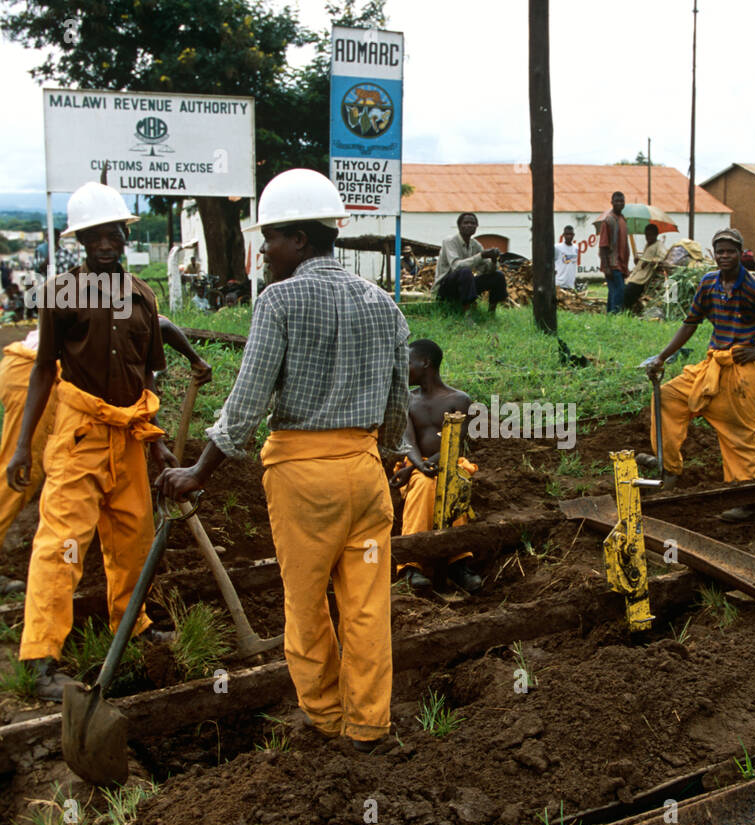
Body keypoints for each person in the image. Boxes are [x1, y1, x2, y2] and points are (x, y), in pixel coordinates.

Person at [158, 168, 410, 753]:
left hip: (305, 478)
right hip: (366, 472)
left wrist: (200, 471)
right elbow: (399, 402)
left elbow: (246, 404)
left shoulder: (280, 300)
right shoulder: (384, 304)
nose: (263, 249)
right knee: (368, 608)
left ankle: (323, 716)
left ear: (299, 239)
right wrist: (388, 459)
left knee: (305, 601)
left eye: (269, 237)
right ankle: (369, 726)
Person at [5, 181, 177, 702]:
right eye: (93, 237)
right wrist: (20, 446)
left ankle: (134, 620)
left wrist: (155, 443)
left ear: (126, 235)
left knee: (133, 539)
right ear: (80, 241)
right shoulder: (61, 294)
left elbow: (149, 379)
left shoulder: (144, 297)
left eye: (112, 235)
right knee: (62, 544)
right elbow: (41, 372)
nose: (104, 245)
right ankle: (40, 657)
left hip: (127, 436)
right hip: (78, 437)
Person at [0, 318, 211, 596]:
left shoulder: (123, 322)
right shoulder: (132, 320)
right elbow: (160, 332)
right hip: (33, 372)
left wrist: (155, 442)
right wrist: (196, 360)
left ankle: (93, 549)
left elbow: (137, 387)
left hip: (46, 372)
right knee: (24, 466)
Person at [639, 228, 755, 521]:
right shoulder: (709, 282)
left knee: (739, 434)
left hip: (741, 371)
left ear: (740, 254)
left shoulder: (754, 287)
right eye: (720, 251)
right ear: (714, 254)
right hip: (712, 365)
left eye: (731, 251)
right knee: (667, 398)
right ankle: (669, 466)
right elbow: (691, 323)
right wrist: (662, 357)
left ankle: (747, 502)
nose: (725, 256)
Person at [390, 339, 482, 593]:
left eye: (407, 363)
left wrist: (424, 466)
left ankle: (458, 561)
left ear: (425, 363)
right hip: (417, 463)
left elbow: (455, 441)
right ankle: (410, 565)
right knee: (423, 483)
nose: (403, 369)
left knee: (452, 480)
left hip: (449, 460)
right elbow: (408, 440)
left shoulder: (459, 399)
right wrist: (417, 466)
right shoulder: (407, 400)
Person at [434, 212, 507, 312]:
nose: (469, 225)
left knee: (498, 275)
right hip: (446, 287)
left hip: (465, 284)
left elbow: (486, 270)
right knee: (465, 271)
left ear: (476, 227)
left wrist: (493, 260)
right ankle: (468, 313)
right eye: (466, 223)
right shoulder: (450, 241)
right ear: (459, 226)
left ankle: (491, 312)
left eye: (473, 223)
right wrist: (481, 255)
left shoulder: (476, 245)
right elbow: (456, 267)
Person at [623, 223, 670, 310]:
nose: (648, 237)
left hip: (643, 278)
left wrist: (654, 261)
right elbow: (644, 259)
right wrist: (638, 261)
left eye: (650, 235)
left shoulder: (658, 245)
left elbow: (662, 257)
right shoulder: (648, 245)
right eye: (646, 235)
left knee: (628, 291)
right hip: (637, 274)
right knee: (623, 287)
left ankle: (627, 310)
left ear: (656, 234)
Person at [598, 191, 630, 312]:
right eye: (617, 201)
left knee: (613, 291)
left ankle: (610, 315)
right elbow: (603, 246)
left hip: (621, 264)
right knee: (619, 291)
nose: (619, 203)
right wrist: (606, 266)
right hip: (612, 264)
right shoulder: (608, 221)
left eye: (622, 201)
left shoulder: (623, 220)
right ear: (612, 203)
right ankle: (615, 315)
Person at [555, 225, 579, 290]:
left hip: (570, 284)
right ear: (563, 235)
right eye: (567, 234)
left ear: (573, 235)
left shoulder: (576, 248)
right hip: (559, 284)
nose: (569, 236)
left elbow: (573, 265)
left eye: (571, 234)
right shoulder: (557, 247)